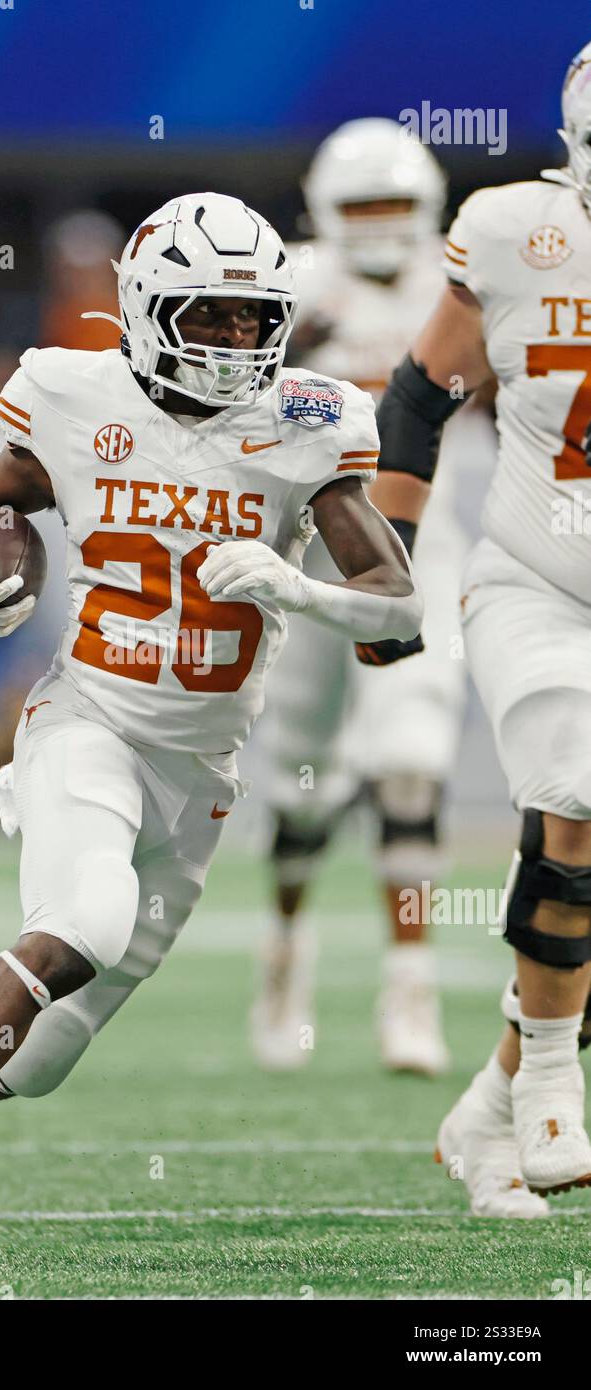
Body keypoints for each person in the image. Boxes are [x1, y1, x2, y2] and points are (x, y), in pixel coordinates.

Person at [0, 192, 421, 1263]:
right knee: (84, 915)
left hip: (201, 764)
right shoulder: (72, 395)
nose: (233, 341)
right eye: (206, 315)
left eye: (249, 318)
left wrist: (295, 586)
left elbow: (397, 608)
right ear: (143, 310)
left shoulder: (309, 420)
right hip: (85, 717)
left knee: (34, 1063)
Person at [369, 41, 591, 1217]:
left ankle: (484, 1111)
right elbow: (417, 395)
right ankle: (551, 1079)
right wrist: (388, 567)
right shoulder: (515, 232)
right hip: (535, 576)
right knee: (573, 793)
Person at [252, 120, 477, 1076]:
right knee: (301, 778)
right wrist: (281, 347)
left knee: (412, 759)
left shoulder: (465, 280)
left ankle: (409, 988)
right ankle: (288, 951)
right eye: (364, 209)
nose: (381, 228)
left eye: (394, 207)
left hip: (429, 546)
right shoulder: (285, 283)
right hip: (310, 554)